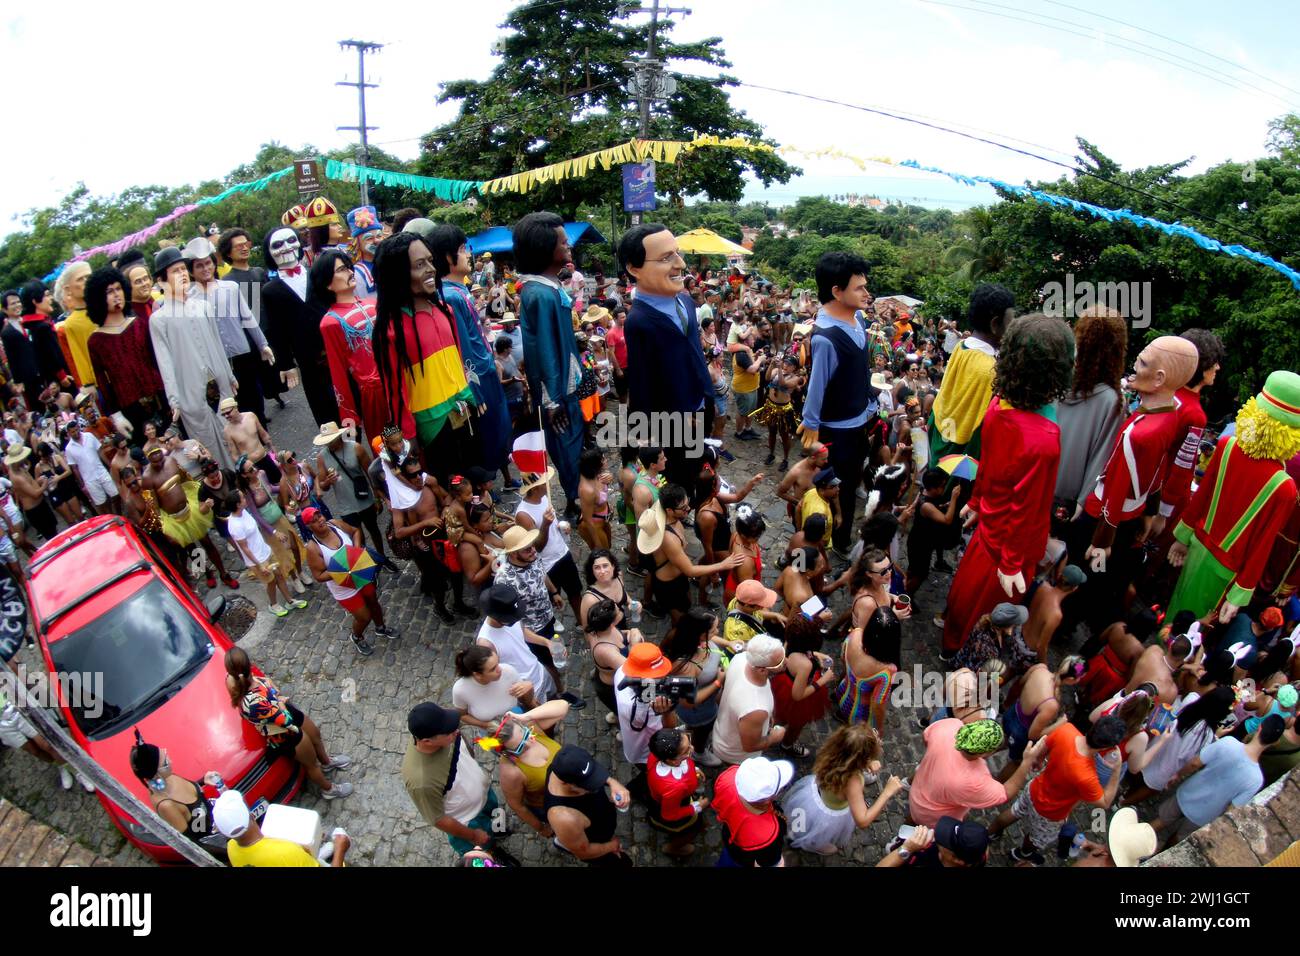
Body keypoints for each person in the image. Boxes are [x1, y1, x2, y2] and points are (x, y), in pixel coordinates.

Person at [939, 315, 1076, 657]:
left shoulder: (998, 404)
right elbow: (1027, 505)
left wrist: (978, 500)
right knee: (987, 613)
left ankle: (950, 645)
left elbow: (988, 463)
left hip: (990, 528)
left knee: (964, 597)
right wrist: (1013, 563)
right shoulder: (1045, 438)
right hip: (1008, 548)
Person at [372, 232, 477, 484]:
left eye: (430, 261)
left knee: (474, 479)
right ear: (398, 273)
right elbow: (394, 392)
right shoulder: (391, 329)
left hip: (464, 411)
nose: (431, 269)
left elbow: (459, 364)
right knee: (448, 487)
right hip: (432, 428)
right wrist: (406, 437)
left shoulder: (445, 311)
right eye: (419, 265)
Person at [620, 224, 715, 491]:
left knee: (695, 462)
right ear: (633, 268)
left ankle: (690, 500)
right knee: (674, 471)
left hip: (698, 405)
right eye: (666, 258)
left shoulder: (685, 302)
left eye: (678, 254)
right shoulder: (638, 322)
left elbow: (694, 351)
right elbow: (640, 382)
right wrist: (644, 433)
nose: (680, 264)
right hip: (670, 420)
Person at [799, 252, 877, 555]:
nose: (867, 294)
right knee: (835, 491)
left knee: (853, 479)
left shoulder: (857, 318)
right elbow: (816, 386)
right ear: (836, 291)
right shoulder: (826, 337)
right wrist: (812, 425)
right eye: (859, 288)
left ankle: (842, 533)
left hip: (858, 419)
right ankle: (833, 541)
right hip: (837, 430)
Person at [513, 213, 584, 519]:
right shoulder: (540, 293)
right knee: (567, 447)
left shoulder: (549, 287)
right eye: (562, 241)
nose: (568, 245)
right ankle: (576, 501)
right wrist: (552, 399)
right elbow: (543, 349)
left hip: (567, 384)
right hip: (557, 392)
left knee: (574, 445)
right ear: (544, 248)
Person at [987, 715, 1127, 866]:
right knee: (1036, 838)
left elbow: (1045, 745)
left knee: (1014, 812)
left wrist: (1040, 760)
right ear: (1107, 747)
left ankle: (991, 833)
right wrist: (1117, 769)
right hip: (1051, 813)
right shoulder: (1088, 776)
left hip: (1035, 788)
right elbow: (1105, 802)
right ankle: (1022, 853)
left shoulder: (1067, 730)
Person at [148, 247, 238, 470]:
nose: (182, 274)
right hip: (191, 391)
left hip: (219, 381)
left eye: (183, 269)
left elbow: (217, 343)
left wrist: (229, 374)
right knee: (208, 445)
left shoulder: (203, 306)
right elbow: (164, 362)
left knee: (234, 433)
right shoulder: (159, 319)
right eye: (175, 271)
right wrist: (174, 399)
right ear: (162, 281)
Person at [224, 647, 353, 799]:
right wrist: (280, 701)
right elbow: (286, 720)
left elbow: (268, 687)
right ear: (248, 664)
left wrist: (274, 694)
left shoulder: (235, 679)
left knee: (315, 735)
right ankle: (329, 789)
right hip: (285, 732)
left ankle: (327, 762)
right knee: (311, 763)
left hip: (282, 714)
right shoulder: (253, 702)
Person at [1154, 713, 1284, 847]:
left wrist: (1178, 775)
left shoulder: (1229, 743)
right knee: (1176, 841)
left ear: (1260, 727)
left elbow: (1195, 763)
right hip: (1206, 814)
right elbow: (1232, 809)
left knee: (1160, 821)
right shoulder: (1256, 779)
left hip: (1189, 791)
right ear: (1275, 742)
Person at [186, 237, 274, 425]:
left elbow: (248, 317)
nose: (205, 269)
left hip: (242, 354)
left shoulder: (231, 287)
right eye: (199, 266)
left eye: (208, 263)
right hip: (215, 361)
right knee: (229, 409)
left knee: (255, 403)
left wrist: (262, 344)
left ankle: (265, 447)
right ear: (192, 271)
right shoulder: (188, 299)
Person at [782, 723, 903, 854]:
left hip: (814, 795)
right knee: (817, 831)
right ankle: (812, 843)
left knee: (803, 822)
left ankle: (796, 832)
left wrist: (866, 762)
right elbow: (862, 820)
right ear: (862, 758)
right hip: (826, 814)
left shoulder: (835, 751)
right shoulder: (853, 782)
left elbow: (851, 756)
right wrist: (887, 792)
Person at [927, 282, 1014, 465]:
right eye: (1009, 320)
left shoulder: (962, 346)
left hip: (943, 432)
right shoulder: (990, 370)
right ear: (995, 324)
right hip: (962, 450)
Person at [261, 226, 340, 425]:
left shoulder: (316, 274)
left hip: (335, 348)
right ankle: (340, 453)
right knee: (325, 412)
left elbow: (334, 305)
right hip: (307, 358)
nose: (286, 248)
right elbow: (275, 330)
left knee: (353, 401)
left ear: (298, 243)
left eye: (290, 240)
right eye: (278, 245)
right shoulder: (270, 290)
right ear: (270, 252)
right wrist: (286, 364)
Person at [1054, 307, 1127, 516]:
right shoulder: (1111, 401)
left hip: (1038, 481)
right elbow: (1101, 456)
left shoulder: (1057, 380)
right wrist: (1084, 499)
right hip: (1067, 500)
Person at [909, 717, 1043, 829]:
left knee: (910, 820)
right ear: (985, 753)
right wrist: (1026, 762)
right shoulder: (974, 781)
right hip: (930, 816)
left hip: (917, 790)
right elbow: (1005, 793)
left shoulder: (950, 726)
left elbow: (926, 736)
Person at [402, 701, 499, 856]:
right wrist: (473, 835)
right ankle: (494, 854)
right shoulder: (421, 782)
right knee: (484, 847)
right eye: (449, 732)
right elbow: (438, 819)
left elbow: (461, 740)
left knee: (497, 824)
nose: (456, 731)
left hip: (486, 796)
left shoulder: (444, 729)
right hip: (469, 819)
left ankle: (498, 832)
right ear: (427, 741)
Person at [310, 250, 388, 443]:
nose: (350, 272)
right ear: (327, 283)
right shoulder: (330, 322)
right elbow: (338, 372)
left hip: (397, 379)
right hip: (374, 394)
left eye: (348, 266)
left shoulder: (373, 304)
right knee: (387, 446)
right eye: (342, 269)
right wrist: (349, 417)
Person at [302, 506, 398, 656]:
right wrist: (341, 570)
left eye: (319, 516)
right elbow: (319, 576)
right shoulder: (313, 548)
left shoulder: (335, 524)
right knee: (363, 617)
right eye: (314, 521)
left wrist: (356, 551)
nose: (320, 521)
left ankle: (381, 627)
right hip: (344, 587)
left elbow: (356, 532)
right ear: (309, 527)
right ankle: (357, 636)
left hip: (360, 573)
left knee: (373, 601)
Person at [83, 266, 166, 438]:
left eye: (118, 288)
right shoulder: (96, 341)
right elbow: (102, 382)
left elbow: (158, 361)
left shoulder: (140, 324)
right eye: (109, 291)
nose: (116, 295)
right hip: (130, 409)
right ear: (98, 298)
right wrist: (116, 415)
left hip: (160, 396)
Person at [640, 487, 744, 623]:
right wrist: (722, 565)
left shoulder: (673, 519)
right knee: (680, 623)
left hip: (679, 577)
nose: (688, 509)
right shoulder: (668, 538)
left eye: (687, 503)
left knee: (687, 605)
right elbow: (690, 570)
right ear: (669, 510)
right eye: (683, 508)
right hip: (669, 586)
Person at [833, 550, 909, 732]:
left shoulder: (880, 584)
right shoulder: (867, 603)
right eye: (883, 571)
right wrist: (894, 618)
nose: (889, 573)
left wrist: (892, 599)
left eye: (890, 567)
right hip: (869, 655)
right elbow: (871, 632)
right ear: (868, 574)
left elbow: (882, 598)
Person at [1122, 686, 1236, 806]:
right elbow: (1192, 759)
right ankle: (1123, 802)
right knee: (1150, 787)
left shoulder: (1191, 700)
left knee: (1139, 770)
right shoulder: (1205, 734)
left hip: (1156, 746)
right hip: (1169, 765)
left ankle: (1123, 790)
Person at [311, 420, 393, 568]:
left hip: (365, 499)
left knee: (374, 530)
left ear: (338, 437)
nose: (329, 445)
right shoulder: (322, 457)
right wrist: (327, 482)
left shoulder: (356, 448)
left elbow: (371, 473)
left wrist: (377, 498)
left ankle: (382, 559)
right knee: (357, 536)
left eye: (331, 441)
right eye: (326, 442)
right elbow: (323, 486)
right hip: (346, 506)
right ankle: (367, 563)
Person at [479, 710, 569, 838]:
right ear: (506, 752)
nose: (529, 743)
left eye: (526, 735)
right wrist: (541, 828)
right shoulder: (511, 771)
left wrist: (527, 716)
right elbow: (517, 805)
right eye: (520, 747)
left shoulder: (532, 727)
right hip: (554, 805)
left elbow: (562, 707)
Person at [513, 467, 583, 627]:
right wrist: (545, 524)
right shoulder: (523, 515)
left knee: (575, 592)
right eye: (545, 483)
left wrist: (561, 527)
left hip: (562, 554)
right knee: (550, 599)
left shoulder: (545, 498)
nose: (549, 485)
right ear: (536, 487)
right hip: (547, 564)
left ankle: (582, 622)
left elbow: (554, 525)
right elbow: (537, 547)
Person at [544, 744, 633, 866]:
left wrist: (612, 782)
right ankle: (564, 842)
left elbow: (588, 770)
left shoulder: (566, 767)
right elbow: (585, 852)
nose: (595, 786)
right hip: (596, 843)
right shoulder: (564, 817)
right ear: (566, 783)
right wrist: (611, 846)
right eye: (588, 784)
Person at [213, 789, 351, 867]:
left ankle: (318, 853)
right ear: (252, 815)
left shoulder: (231, 848)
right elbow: (288, 855)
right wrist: (340, 849)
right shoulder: (286, 853)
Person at [451, 644, 570, 732]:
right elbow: (462, 716)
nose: (500, 669)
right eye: (493, 669)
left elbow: (528, 702)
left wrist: (528, 687)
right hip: (495, 733)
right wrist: (486, 725)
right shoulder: (461, 690)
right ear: (477, 674)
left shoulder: (508, 671)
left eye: (497, 663)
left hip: (520, 722)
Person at [710, 634, 787, 764]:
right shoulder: (756, 707)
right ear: (762, 670)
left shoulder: (741, 658)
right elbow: (750, 746)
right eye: (780, 662)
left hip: (723, 730)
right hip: (736, 754)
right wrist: (773, 738)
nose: (786, 662)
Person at [227, 490, 304, 618]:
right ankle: (273, 605)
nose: (245, 499)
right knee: (271, 582)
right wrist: (259, 565)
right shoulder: (235, 526)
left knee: (279, 575)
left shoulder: (244, 512)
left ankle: (290, 600)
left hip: (265, 551)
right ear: (237, 505)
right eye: (242, 498)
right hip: (257, 560)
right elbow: (245, 548)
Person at [477, 583, 557, 705]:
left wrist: (546, 642)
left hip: (540, 671)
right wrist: (528, 700)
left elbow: (523, 632)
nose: (515, 619)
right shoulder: (486, 643)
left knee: (554, 698)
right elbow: (496, 676)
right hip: (528, 688)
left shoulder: (509, 617)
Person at [128, 734, 215, 844]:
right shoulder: (166, 805)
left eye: (166, 755)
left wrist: (202, 781)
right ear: (155, 773)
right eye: (165, 762)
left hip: (214, 822)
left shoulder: (168, 777)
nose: (170, 761)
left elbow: (190, 799)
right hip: (210, 841)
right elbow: (193, 844)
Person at [769, 612, 834, 758]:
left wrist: (817, 656)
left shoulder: (790, 642)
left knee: (779, 713)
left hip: (784, 683)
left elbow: (802, 654)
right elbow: (797, 695)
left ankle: (770, 728)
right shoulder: (805, 665)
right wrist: (823, 680)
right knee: (796, 724)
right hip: (798, 694)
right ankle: (788, 744)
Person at [712, 755, 793, 867]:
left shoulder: (727, 780)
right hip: (744, 860)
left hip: (729, 839)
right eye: (782, 788)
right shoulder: (769, 833)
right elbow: (770, 862)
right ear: (766, 800)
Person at [613, 642, 681, 765]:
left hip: (631, 738)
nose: (663, 677)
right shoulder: (644, 708)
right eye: (657, 676)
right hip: (646, 753)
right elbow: (667, 731)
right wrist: (667, 711)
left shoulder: (621, 671)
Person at [645, 727, 709, 857]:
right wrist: (696, 807)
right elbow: (669, 814)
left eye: (688, 740)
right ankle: (673, 848)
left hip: (667, 797)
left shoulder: (658, 753)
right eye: (686, 750)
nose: (691, 748)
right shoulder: (675, 788)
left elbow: (684, 763)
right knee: (690, 831)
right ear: (672, 760)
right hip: (676, 806)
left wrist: (693, 769)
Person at [901, 467, 961, 594]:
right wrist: (954, 498)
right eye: (942, 486)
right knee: (920, 574)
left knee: (914, 570)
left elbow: (936, 507)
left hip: (922, 541)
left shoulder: (924, 492)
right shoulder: (926, 505)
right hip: (920, 544)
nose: (943, 489)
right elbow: (947, 520)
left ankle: (904, 589)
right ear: (933, 488)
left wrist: (944, 506)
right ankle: (906, 596)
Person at [1021, 564, 1087, 662]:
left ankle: (992, 677)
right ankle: (992, 677)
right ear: (1074, 588)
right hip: (1027, 651)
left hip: (1019, 635)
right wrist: (1044, 666)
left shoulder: (1043, 586)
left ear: (1059, 575)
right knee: (1013, 674)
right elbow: (1041, 646)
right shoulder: (1056, 614)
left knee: (1006, 670)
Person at [877, 816, 991, 868]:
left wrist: (907, 849)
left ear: (957, 860)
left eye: (946, 840)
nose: (937, 834)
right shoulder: (980, 851)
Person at [62, 418, 117, 515]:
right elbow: (74, 468)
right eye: (72, 432)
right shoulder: (69, 449)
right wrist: (82, 483)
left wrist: (110, 465)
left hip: (101, 471)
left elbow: (100, 452)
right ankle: (111, 516)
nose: (75, 433)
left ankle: (118, 512)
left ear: (79, 428)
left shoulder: (89, 436)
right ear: (69, 433)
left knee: (115, 494)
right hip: (89, 479)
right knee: (102, 502)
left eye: (76, 430)